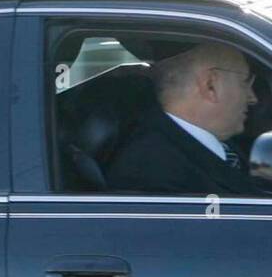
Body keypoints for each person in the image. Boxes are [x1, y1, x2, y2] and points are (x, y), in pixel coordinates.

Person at [104, 42, 259, 195]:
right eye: (245, 82)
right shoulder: (152, 174)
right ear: (210, 85)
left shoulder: (182, 146)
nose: (253, 98)